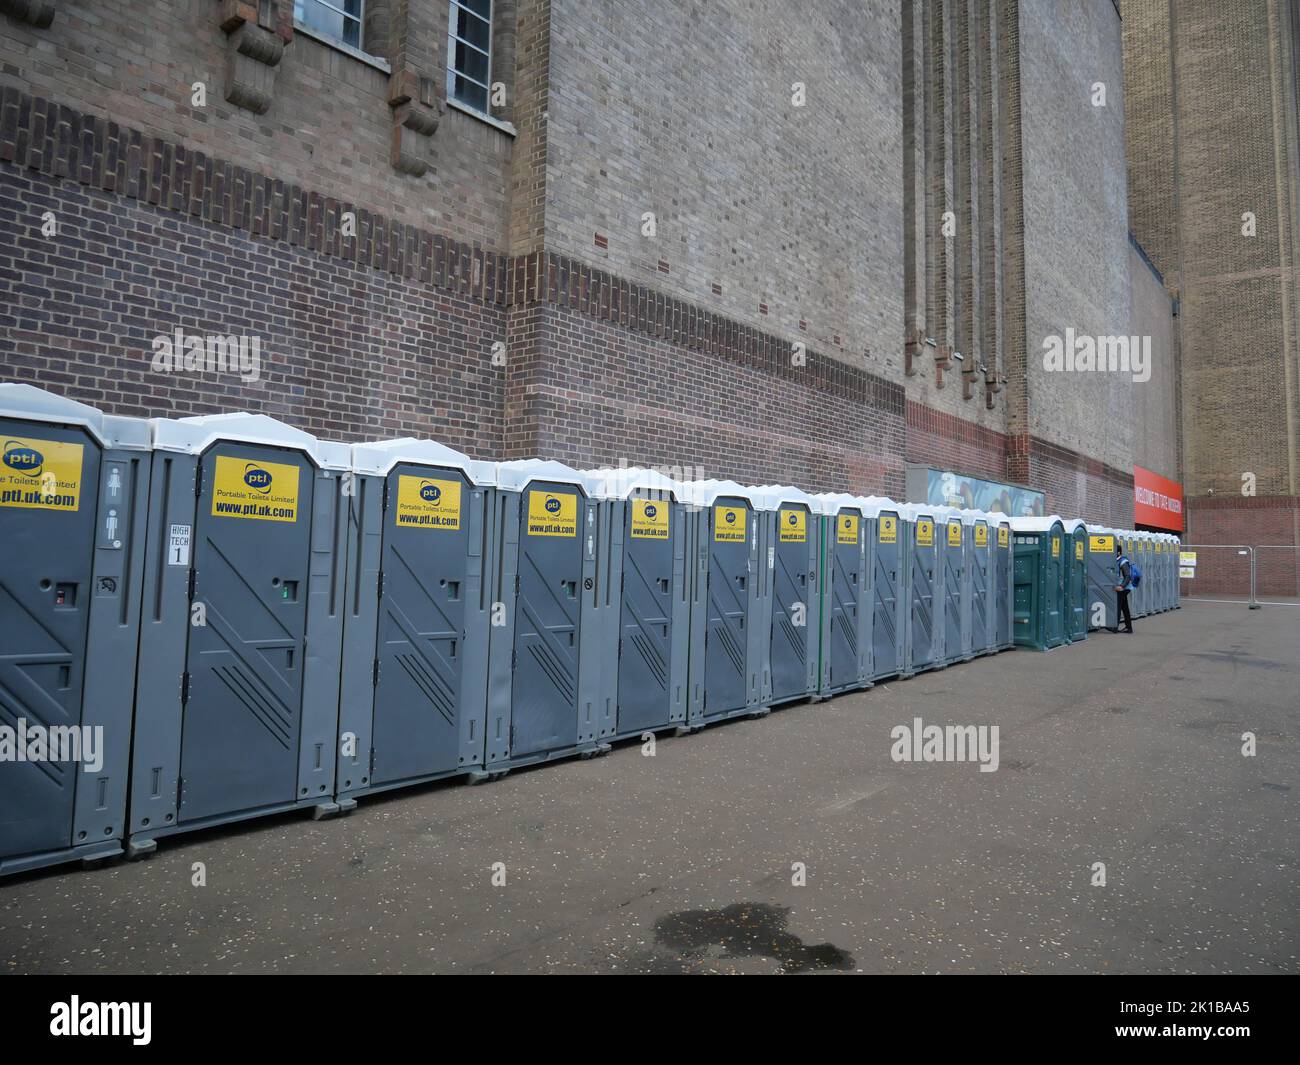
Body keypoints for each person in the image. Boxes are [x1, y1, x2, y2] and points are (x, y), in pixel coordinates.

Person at [1111, 543, 1134, 634]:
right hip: (1123, 587)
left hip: (1124, 587)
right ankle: (1129, 628)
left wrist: (1121, 587)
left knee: (1118, 606)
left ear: (1119, 552)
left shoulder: (1123, 561)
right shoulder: (1117, 560)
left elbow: (1128, 576)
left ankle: (1115, 627)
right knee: (1124, 607)